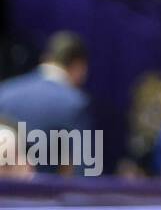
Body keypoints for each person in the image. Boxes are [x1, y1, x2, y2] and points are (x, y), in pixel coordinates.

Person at [0, 31, 93, 176]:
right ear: (78, 66)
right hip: (47, 195)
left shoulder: (4, 93)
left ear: (46, 58)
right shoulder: (75, 104)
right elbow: (82, 171)